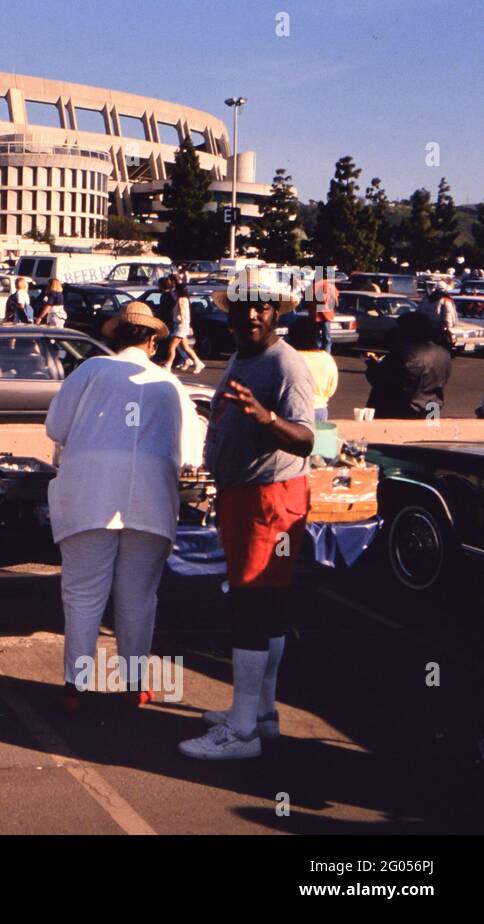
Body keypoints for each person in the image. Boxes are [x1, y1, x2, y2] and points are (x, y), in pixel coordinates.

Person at [182, 273, 315, 760]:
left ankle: (241, 733)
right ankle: (260, 713)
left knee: (251, 607)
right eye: (243, 307)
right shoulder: (245, 354)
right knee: (267, 607)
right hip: (246, 495)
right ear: (230, 313)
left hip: (269, 498)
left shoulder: (286, 364)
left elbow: (307, 438)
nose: (252, 314)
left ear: (277, 313)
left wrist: (267, 420)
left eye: (262, 307)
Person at [47, 302, 204, 708]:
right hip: (150, 498)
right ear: (153, 342)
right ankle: (134, 685)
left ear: (115, 337)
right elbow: (192, 452)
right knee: (138, 596)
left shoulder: (90, 370)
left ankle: (75, 687)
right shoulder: (168, 384)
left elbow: (55, 428)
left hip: (89, 493)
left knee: (83, 594)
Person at [364, 310, 452, 419]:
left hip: (402, 412)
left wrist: (373, 366)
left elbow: (382, 381)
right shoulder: (443, 354)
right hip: (432, 410)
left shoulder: (403, 354)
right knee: (430, 434)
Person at [286, 316, 336, 420]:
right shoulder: (326, 358)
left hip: (294, 409)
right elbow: (331, 390)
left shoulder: (288, 357)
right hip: (320, 409)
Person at [165, 283, 204, 373]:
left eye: (175, 290)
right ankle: (197, 362)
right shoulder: (185, 299)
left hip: (180, 325)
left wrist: (183, 323)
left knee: (172, 346)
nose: (174, 291)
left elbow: (183, 312)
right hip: (183, 325)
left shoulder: (181, 300)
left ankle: (168, 365)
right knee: (186, 347)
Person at [307, 275, 339, 354]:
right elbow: (336, 301)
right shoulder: (331, 286)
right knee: (327, 339)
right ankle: (327, 356)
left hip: (316, 315)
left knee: (316, 338)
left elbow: (308, 300)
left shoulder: (314, 286)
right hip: (326, 315)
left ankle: (318, 355)